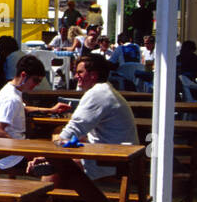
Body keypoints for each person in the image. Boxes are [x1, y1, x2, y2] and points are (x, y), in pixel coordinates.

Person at [37, 53, 139, 181]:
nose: (75, 77)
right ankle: (51, 196)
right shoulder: (105, 90)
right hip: (118, 157)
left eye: (80, 72)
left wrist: (48, 156)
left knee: (52, 172)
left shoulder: (98, 94)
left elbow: (73, 129)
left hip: (114, 161)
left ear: (93, 75)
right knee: (59, 143)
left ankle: (44, 198)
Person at [0, 56, 72, 173]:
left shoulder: (10, 90)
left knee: (53, 148)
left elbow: (22, 109)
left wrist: (50, 110)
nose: (36, 85)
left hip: (8, 151)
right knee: (57, 160)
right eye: (35, 80)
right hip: (10, 157)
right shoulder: (11, 99)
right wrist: (24, 150)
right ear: (23, 75)